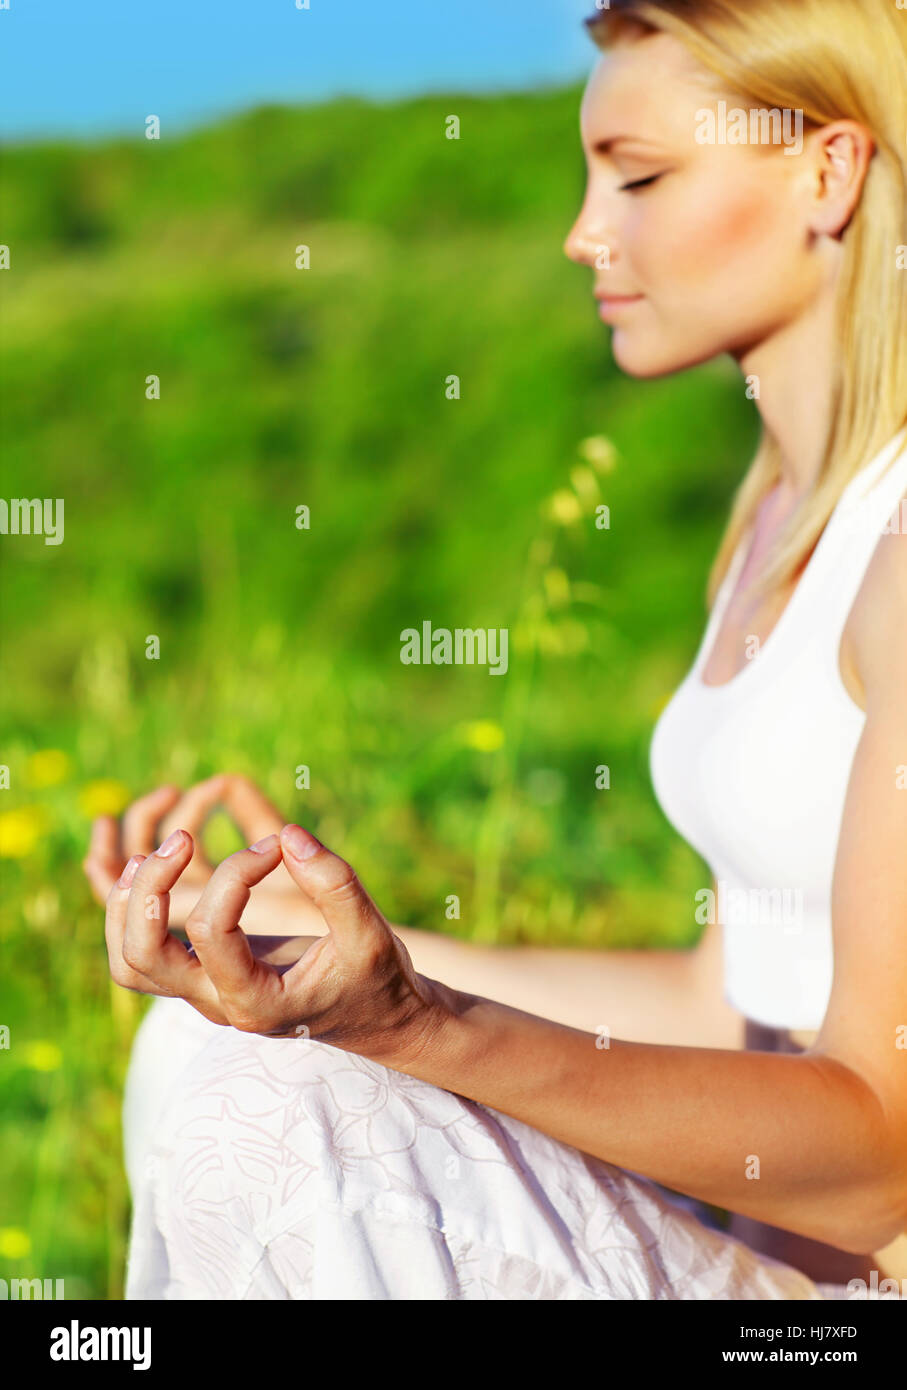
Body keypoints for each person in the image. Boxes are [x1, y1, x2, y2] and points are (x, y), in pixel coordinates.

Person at [84, 0, 907, 1299]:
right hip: (751, 1261)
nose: (586, 233)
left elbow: (884, 1158)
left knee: (278, 1107)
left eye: (639, 177)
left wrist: (413, 1024)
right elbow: (721, 1002)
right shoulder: (773, 525)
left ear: (830, 168)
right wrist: (328, 944)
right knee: (204, 1046)